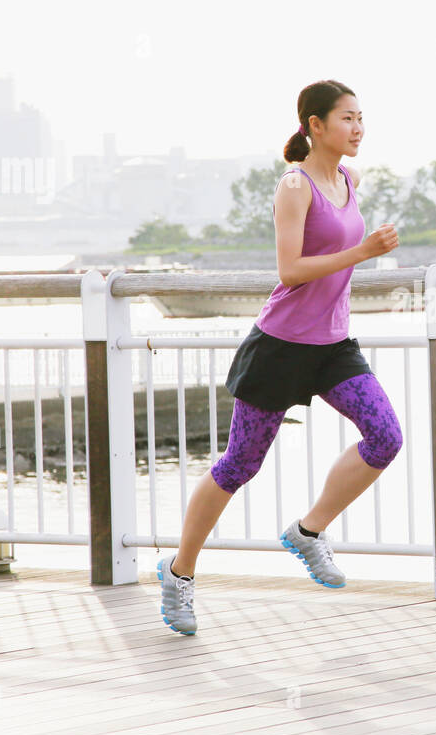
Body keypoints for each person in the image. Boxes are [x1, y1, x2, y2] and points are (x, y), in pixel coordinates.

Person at [157, 79, 402, 635]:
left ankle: (309, 532)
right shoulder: (294, 186)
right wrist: (363, 251)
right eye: (346, 118)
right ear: (314, 124)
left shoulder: (348, 178)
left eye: (361, 118)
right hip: (281, 347)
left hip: (334, 346)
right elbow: (289, 271)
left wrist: (357, 251)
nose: (358, 128)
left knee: (385, 436)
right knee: (239, 465)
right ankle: (179, 574)